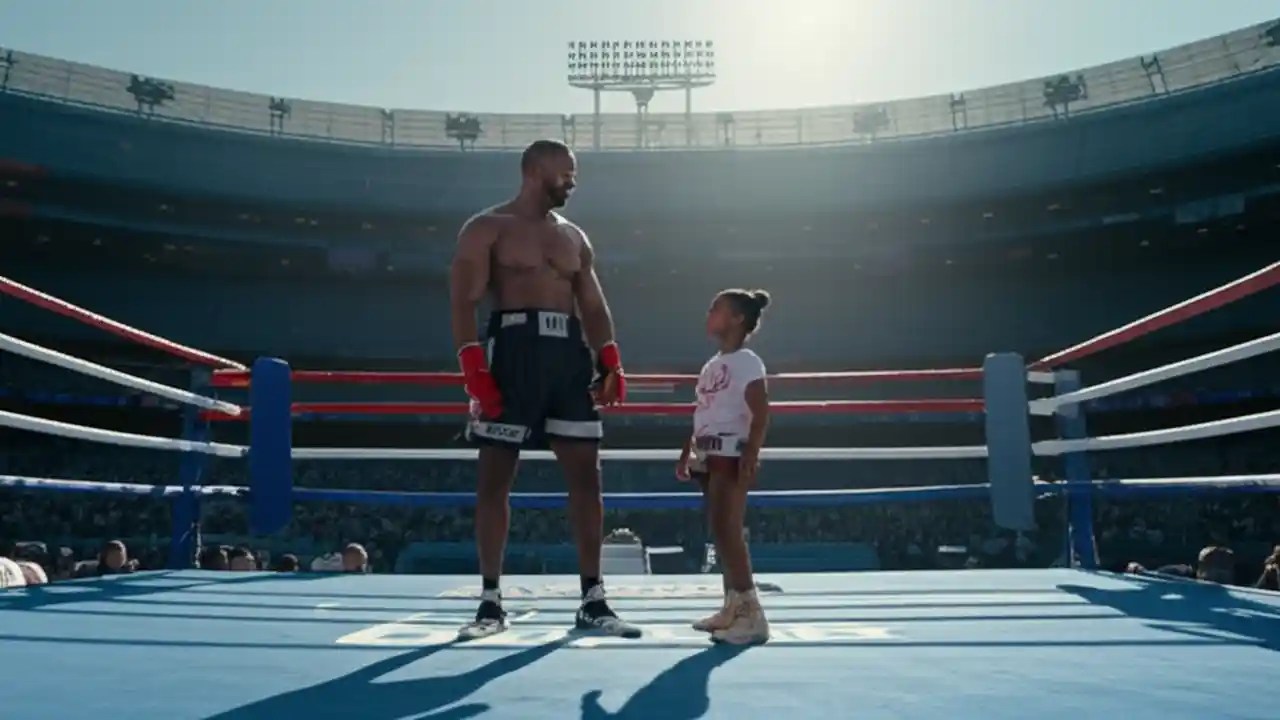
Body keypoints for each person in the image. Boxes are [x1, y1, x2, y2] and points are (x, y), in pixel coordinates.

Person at [449, 139, 638, 639]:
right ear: (534, 171)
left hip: (567, 356)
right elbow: (463, 300)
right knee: (495, 479)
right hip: (511, 350)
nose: (573, 181)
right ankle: (490, 602)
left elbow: (593, 305)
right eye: (565, 172)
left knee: (587, 478)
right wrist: (473, 367)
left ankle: (593, 600)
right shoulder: (488, 227)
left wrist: (610, 358)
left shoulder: (574, 237)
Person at [675, 288, 773, 645]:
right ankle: (732, 605)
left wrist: (752, 451)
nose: (708, 314)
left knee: (728, 529)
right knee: (719, 528)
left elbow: (760, 411)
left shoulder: (747, 361)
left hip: (732, 452)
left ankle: (752, 614)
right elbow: (704, 411)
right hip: (709, 451)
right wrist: (687, 450)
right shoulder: (713, 364)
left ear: (737, 319)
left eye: (716, 309)